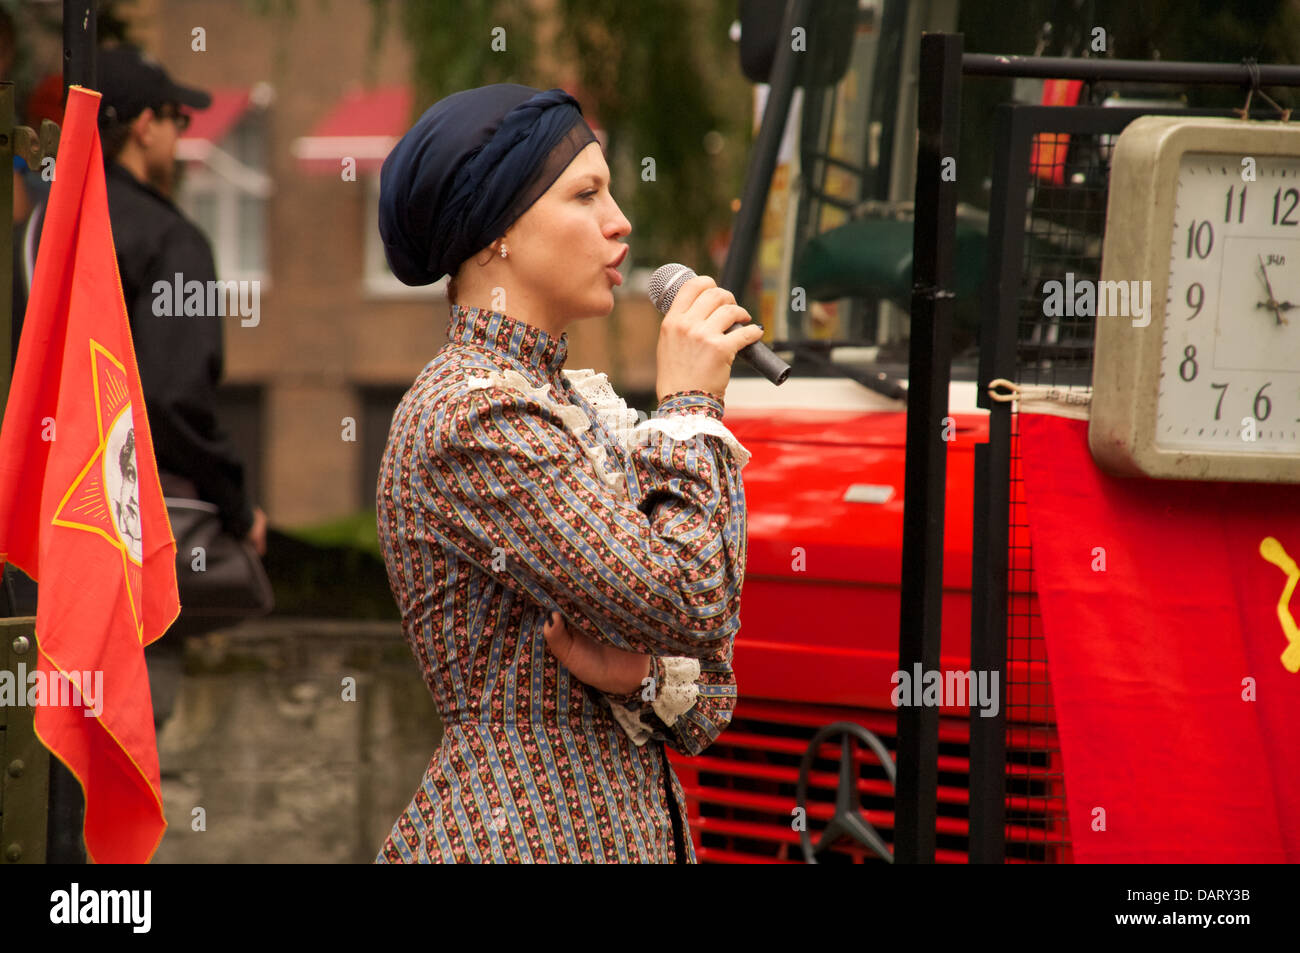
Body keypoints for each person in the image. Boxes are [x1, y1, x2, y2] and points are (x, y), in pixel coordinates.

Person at [374, 83, 765, 863]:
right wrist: (689, 408)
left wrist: (636, 672)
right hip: (517, 836)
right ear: (496, 236)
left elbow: (709, 695)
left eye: (611, 192)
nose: (620, 222)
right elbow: (690, 598)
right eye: (586, 193)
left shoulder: (567, 404)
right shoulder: (473, 417)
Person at [9, 46, 267, 729]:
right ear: (144, 126)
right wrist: (239, 507)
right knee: (122, 739)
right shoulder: (171, 240)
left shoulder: (35, 233)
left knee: (39, 758)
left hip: (33, 532)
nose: (183, 139)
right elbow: (175, 397)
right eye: (177, 118)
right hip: (121, 542)